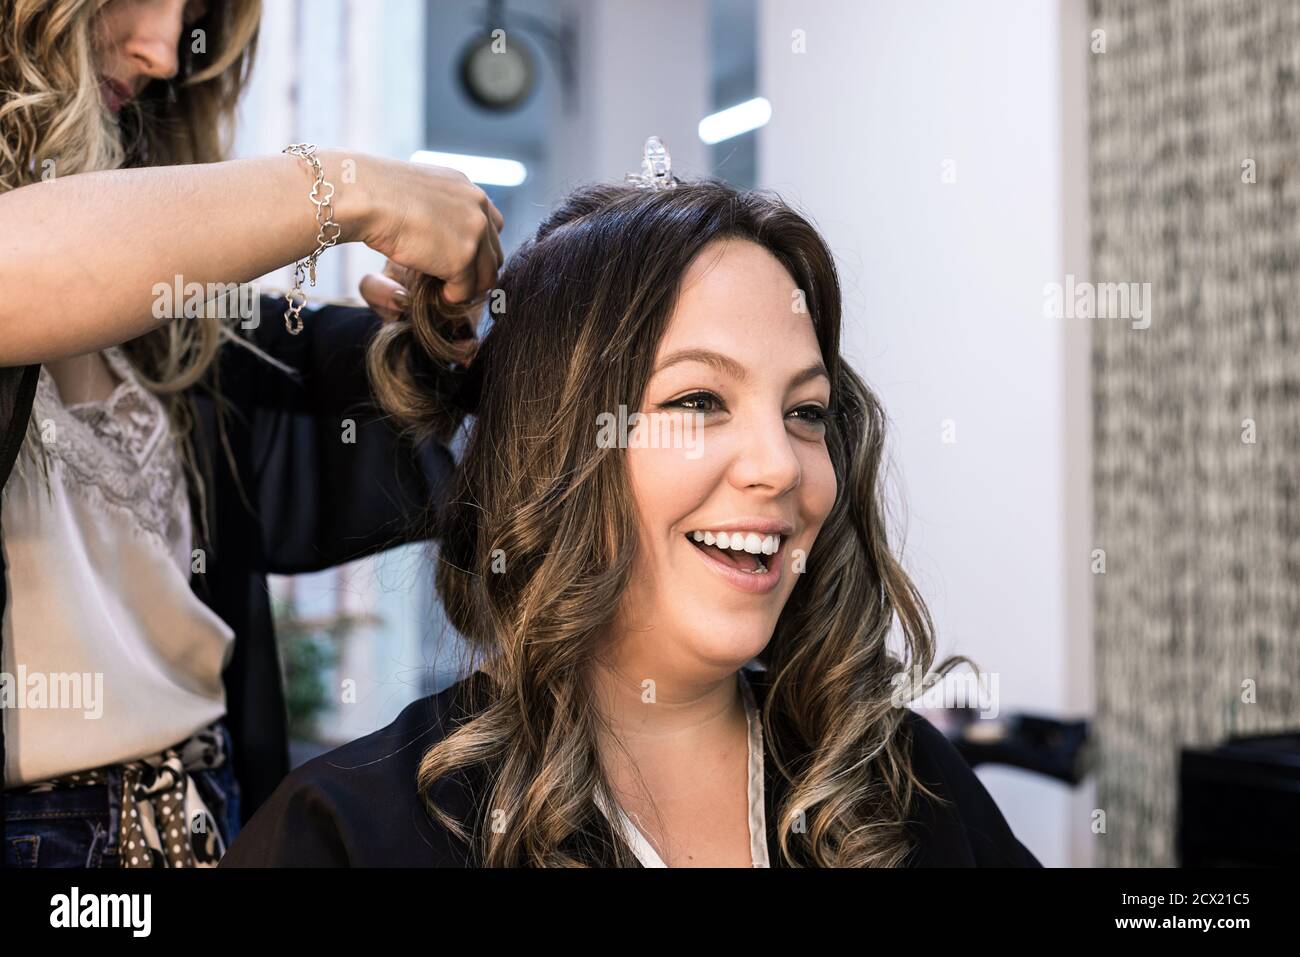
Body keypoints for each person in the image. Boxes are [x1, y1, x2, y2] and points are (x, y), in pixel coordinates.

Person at [221, 166, 1042, 867]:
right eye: (697, 399)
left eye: (807, 411)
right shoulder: (356, 834)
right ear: (555, 444)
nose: (781, 466)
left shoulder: (901, 781)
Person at [0, 0, 504, 867]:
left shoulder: (173, 321)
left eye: (190, 12)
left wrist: (438, 337)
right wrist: (349, 187)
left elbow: (333, 375)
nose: (163, 51)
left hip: (205, 810)